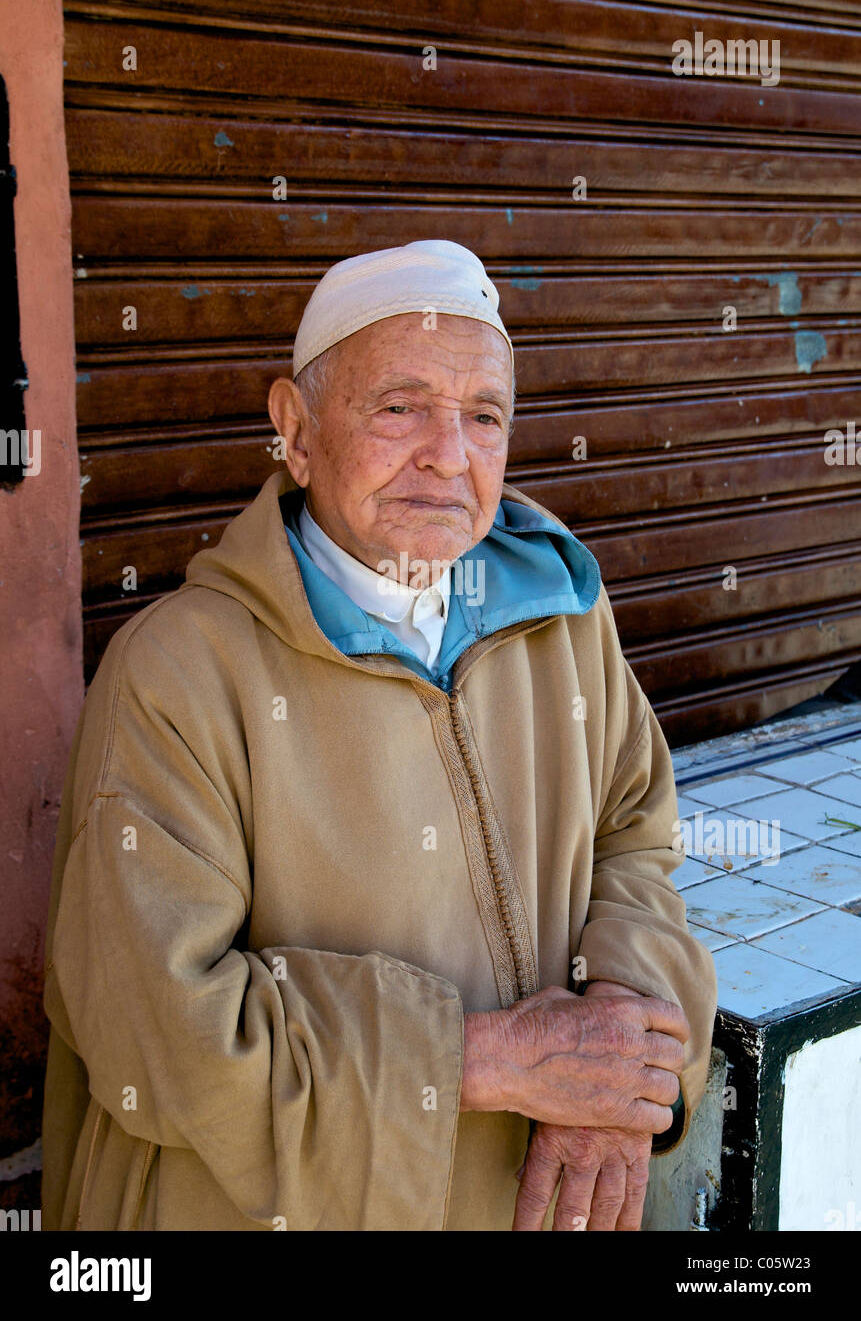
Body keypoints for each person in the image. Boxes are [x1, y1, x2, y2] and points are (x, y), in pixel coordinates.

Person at [41, 239, 716, 1232]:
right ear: (297, 430)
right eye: (401, 405)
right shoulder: (179, 673)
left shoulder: (561, 612)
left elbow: (635, 832)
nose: (450, 452)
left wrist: (619, 1057)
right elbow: (157, 1027)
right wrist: (482, 1062)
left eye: (484, 416)